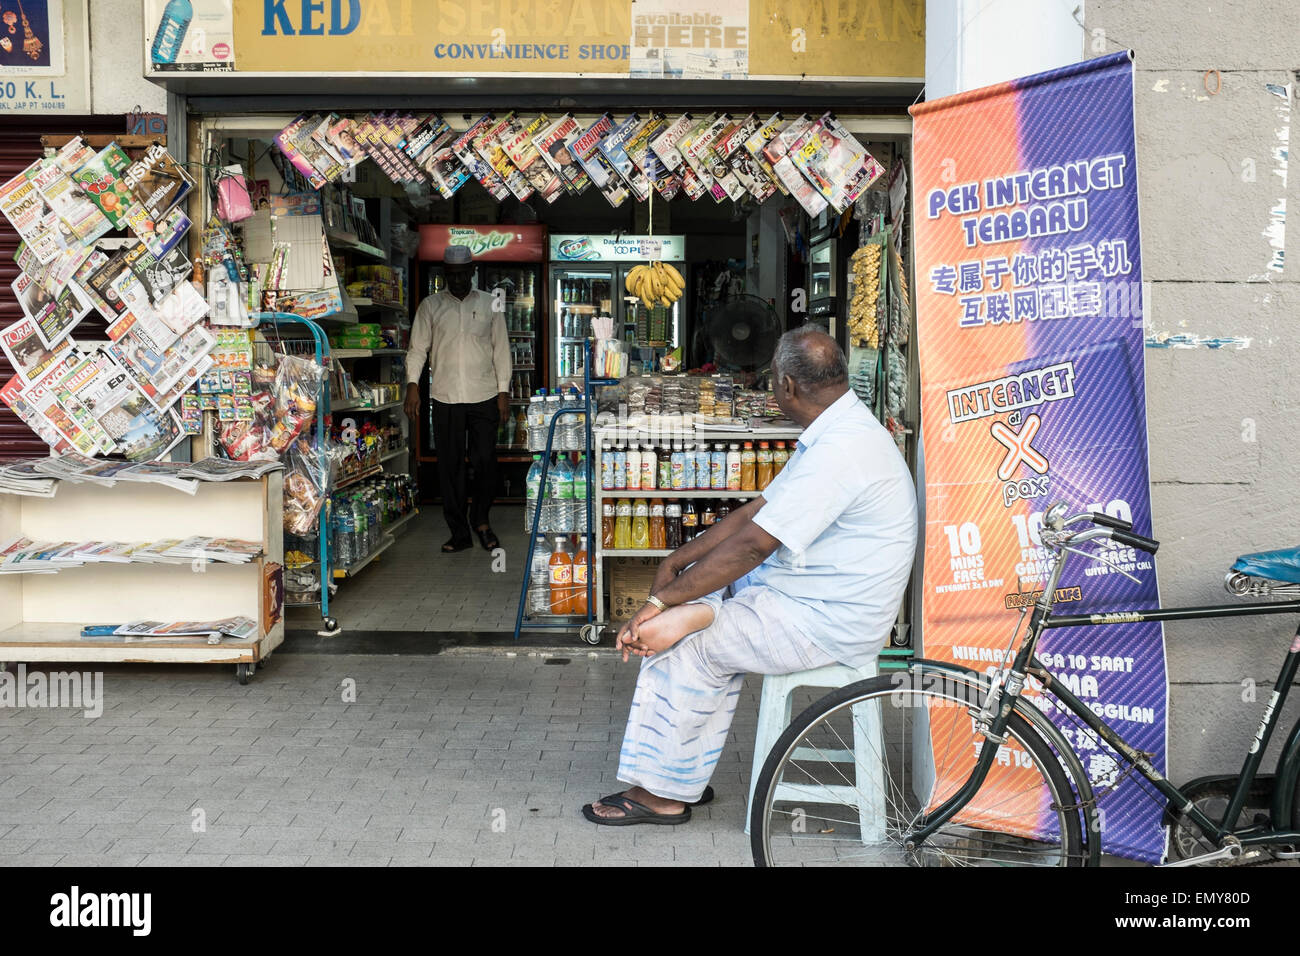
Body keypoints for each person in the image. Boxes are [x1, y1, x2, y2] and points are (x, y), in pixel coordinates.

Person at [583, 326, 917, 825]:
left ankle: (663, 795)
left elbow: (756, 544)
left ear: (786, 385)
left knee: (686, 645)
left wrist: (660, 604)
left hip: (825, 622)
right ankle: (681, 770)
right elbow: (760, 510)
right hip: (808, 597)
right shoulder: (842, 429)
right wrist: (679, 561)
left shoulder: (841, 450)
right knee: (697, 600)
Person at [404, 244, 511, 553]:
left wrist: (503, 392)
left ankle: (481, 520)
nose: (459, 280)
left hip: (485, 396)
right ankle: (459, 532)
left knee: (485, 463)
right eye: (452, 275)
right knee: (450, 467)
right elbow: (417, 350)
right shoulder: (430, 306)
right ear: (445, 275)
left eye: (463, 274)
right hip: (446, 396)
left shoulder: (491, 305)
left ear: (472, 271)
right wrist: (413, 384)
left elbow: (501, 351)